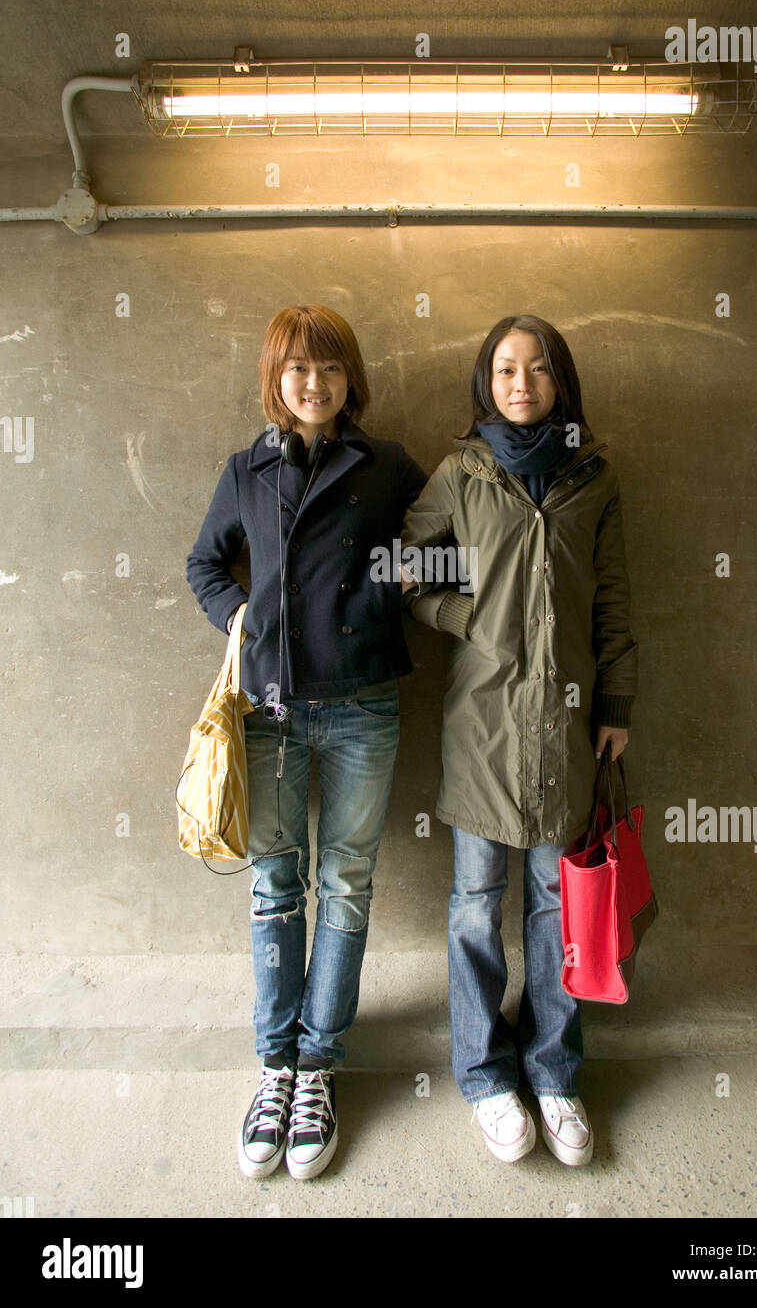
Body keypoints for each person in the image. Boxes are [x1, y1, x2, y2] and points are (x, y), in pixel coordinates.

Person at [186, 304, 426, 1181]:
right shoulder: (246, 467)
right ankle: (274, 1066)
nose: (314, 383)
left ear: (349, 379)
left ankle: (319, 1066)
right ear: (275, 380)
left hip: (363, 706)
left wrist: (393, 586)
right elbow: (203, 564)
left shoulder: (388, 464)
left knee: (347, 880)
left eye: (328, 368)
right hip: (272, 712)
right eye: (297, 369)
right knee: (275, 883)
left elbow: (451, 547)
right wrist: (237, 613)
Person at [399, 314, 638, 1166]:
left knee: (552, 904)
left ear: (558, 382)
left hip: (566, 731)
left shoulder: (594, 480)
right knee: (473, 905)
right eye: (504, 369)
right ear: (485, 383)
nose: (521, 383)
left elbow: (610, 598)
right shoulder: (462, 474)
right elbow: (402, 563)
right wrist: (461, 614)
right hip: (481, 727)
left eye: (536, 369)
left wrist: (616, 701)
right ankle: (484, 1076)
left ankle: (552, 1070)